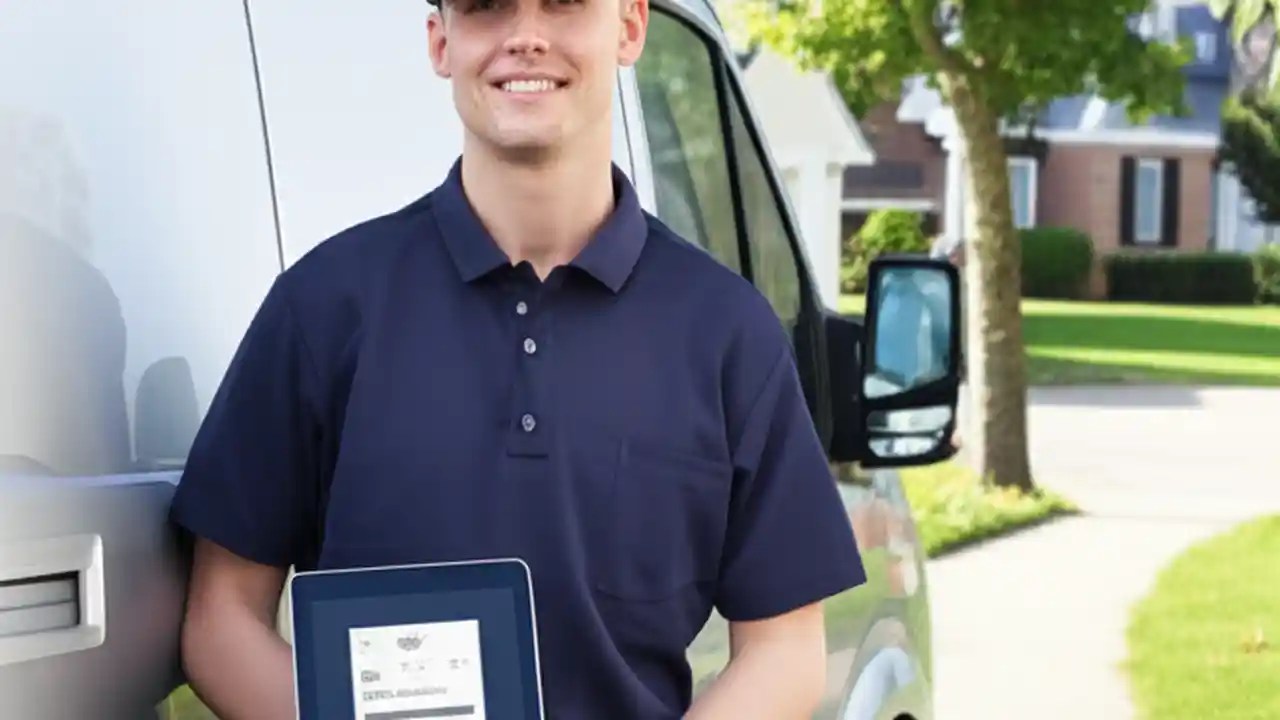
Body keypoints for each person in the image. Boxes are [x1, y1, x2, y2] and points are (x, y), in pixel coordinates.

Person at [168, 0, 866, 717]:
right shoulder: (322, 306)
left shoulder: (727, 331)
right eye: (487, 7)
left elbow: (784, 649)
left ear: (629, 27)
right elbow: (220, 618)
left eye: (563, 4)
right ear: (441, 40)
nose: (526, 37)